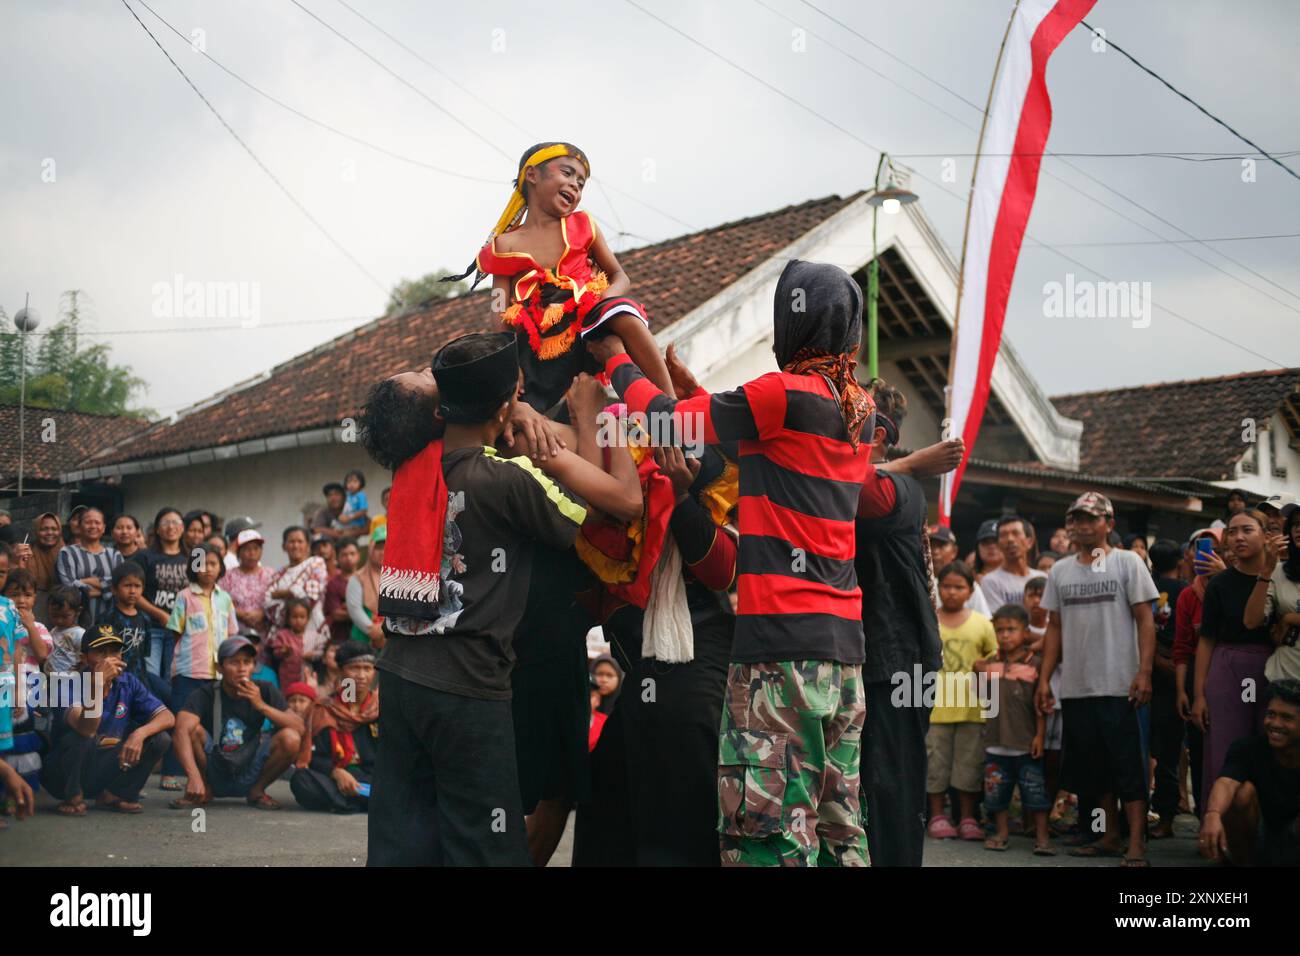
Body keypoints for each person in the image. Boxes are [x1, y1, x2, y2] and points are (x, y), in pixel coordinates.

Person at [362, 331, 640, 866]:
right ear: (503, 405)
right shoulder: (506, 479)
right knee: (488, 845)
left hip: (398, 678)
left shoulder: (411, 474)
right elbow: (614, 506)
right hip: (467, 688)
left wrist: (512, 416)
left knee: (404, 841)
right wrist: (594, 417)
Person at [451, 141, 674, 424]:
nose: (575, 187)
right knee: (524, 412)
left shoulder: (583, 226)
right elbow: (499, 308)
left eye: (581, 184)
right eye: (568, 174)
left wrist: (607, 301)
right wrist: (509, 363)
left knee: (623, 312)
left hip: (588, 322)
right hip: (539, 346)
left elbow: (620, 276)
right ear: (532, 175)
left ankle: (672, 407)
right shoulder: (504, 244)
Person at [1036, 492, 1158, 867]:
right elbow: (1054, 629)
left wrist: (1144, 671)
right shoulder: (1060, 571)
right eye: (1077, 519)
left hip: (1120, 683)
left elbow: (1145, 620)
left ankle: (1136, 842)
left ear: (1109, 522)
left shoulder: (1128, 563)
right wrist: (1045, 680)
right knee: (1094, 768)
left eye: (1091, 519)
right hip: (1076, 685)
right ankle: (1108, 836)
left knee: (1128, 767)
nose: (1083, 526)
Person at [39, 623, 175, 815]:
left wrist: (139, 734)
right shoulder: (67, 684)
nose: (110, 659)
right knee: (81, 738)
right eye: (101, 652)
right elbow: (86, 729)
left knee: (160, 738)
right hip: (62, 773)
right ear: (84, 658)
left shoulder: (128, 682)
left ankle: (113, 794)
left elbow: (167, 717)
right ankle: (73, 795)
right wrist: (97, 685)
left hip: (103, 765)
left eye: (114, 652)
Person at [1194, 510, 1277, 811]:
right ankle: (1220, 827)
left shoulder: (1282, 579)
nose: (1238, 537)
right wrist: (1198, 695)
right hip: (1227, 668)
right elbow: (1206, 641)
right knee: (1226, 745)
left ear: (1266, 535)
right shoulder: (1220, 584)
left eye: (1247, 530)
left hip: (1272, 670)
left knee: (1271, 744)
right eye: (1232, 531)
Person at [170, 635, 304, 810]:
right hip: (214, 766)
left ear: (253, 666)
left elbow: (299, 727)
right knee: (192, 729)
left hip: (250, 768)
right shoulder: (206, 693)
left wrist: (261, 705)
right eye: (234, 662)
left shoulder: (264, 689)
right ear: (220, 668)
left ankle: (257, 791)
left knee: (291, 738)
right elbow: (180, 730)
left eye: (247, 662)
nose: (242, 669)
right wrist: (193, 776)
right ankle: (203, 789)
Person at [159, 542, 240, 790]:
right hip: (188, 671)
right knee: (181, 721)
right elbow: (175, 633)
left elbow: (232, 633)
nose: (207, 569)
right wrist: (179, 663)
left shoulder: (225, 599)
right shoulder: (184, 597)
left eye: (213, 563)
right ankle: (171, 773)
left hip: (217, 672)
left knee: (214, 723)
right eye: (201, 563)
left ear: (221, 567)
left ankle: (209, 774)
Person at [926, 561, 996, 841]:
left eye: (959, 587)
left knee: (969, 765)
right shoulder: (929, 619)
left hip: (972, 708)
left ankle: (967, 817)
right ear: (938, 588)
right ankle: (937, 816)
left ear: (970, 591)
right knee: (935, 764)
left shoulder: (982, 624)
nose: (952, 592)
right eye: (946, 586)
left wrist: (988, 669)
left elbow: (996, 659)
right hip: (935, 708)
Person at [975, 604, 1052, 855]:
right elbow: (980, 696)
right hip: (996, 741)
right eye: (1000, 630)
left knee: (1036, 794)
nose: (1005, 635)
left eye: (1011, 629)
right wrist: (976, 673)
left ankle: (1042, 837)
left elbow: (1041, 706)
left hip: (1026, 742)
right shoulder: (989, 665)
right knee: (996, 795)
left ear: (1026, 633)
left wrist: (1040, 736)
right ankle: (1001, 832)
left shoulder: (1035, 664)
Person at [1199, 678, 1300, 866]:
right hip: (1258, 838)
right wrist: (1212, 814)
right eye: (1271, 714)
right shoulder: (1248, 748)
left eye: (1286, 718)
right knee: (1241, 794)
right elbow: (1226, 782)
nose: (1275, 723)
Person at [290, 641, 379, 813]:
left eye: (367, 668)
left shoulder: (380, 708)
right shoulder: (324, 709)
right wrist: (336, 772)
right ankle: (365, 802)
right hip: (335, 778)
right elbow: (313, 758)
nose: (361, 675)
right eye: (354, 668)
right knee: (301, 780)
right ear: (340, 671)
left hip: (373, 778)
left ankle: (349, 803)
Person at [1174, 527, 1226, 816]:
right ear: (1190, 554)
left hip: (1233, 673)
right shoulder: (1186, 597)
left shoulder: (1237, 584)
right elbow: (1182, 648)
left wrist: (1222, 577)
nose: (1208, 554)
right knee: (1199, 746)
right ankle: (1204, 816)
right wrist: (1183, 691)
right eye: (1202, 548)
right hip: (1197, 675)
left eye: (1216, 549)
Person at [1148, 538, 1189, 838]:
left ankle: (1130, 815)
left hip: (1146, 674)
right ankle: (1165, 819)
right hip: (1177, 678)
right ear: (1180, 561)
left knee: (1142, 751)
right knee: (1169, 754)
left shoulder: (1145, 589)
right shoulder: (1188, 591)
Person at [138, 507, 189, 695]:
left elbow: (202, 586)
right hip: (152, 627)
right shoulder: (144, 556)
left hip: (181, 629)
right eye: (165, 523)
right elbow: (134, 592)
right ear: (157, 529)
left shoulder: (195, 555)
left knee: (173, 676)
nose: (171, 527)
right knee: (150, 676)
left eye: (175, 522)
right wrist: (158, 613)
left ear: (183, 528)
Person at [55, 506, 119, 626]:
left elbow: (119, 585)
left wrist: (83, 581)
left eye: (97, 522)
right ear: (79, 527)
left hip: (110, 622)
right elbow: (68, 586)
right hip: (76, 623)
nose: (93, 526)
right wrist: (105, 589)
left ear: (104, 528)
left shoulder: (115, 555)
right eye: (88, 522)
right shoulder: (67, 553)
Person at [264, 527, 329, 643]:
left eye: (300, 541)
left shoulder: (316, 563)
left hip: (314, 633)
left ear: (308, 546)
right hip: (285, 640)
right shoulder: (278, 575)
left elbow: (310, 598)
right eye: (291, 542)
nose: (295, 546)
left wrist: (283, 594)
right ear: (284, 546)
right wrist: (296, 593)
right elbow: (268, 605)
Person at [1262, 507, 1300, 683]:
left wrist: (1290, 618)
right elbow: (1255, 622)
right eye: (1295, 524)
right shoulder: (1277, 572)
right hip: (1283, 674)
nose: (1298, 528)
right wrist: (1266, 570)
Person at [979, 515, 1046, 611]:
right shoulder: (990, 582)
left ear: (1029, 542)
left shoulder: (1043, 578)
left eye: (1016, 533)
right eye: (1003, 535)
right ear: (999, 544)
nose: (1010, 539)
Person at [928, 524, 992, 616]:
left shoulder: (967, 584)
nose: (935, 551)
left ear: (954, 551)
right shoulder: (915, 583)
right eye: (929, 546)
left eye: (941, 546)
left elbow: (984, 620)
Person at [224, 528, 276, 640]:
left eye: (256, 549)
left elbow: (275, 601)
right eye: (247, 549)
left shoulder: (270, 574)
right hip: (236, 632)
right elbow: (222, 602)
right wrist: (240, 614)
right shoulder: (228, 576)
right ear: (239, 552)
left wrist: (262, 613)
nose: (252, 553)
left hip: (263, 634)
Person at [345, 527, 386, 646]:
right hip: (363, 638)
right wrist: (372, 629)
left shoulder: (399, 577)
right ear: (370, 550)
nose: (382, 552)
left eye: (386, 547)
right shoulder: (358, 578)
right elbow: (354, 609)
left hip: (391, 638)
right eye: (378, 548)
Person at [268, 598, 315, 686]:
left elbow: (319, 652)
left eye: (302, 617)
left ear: (308, 618)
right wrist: (284, 651)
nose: (298, 620)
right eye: (294, 617)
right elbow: (276, 653)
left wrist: (312, 655)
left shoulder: (312, 636)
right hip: (287, 676)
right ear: (288, 618)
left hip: (305, 675)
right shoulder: (283, 635)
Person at [28, 512, 64, 622]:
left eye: (54, 529)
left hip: (62, 607)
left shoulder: (68, 554)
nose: (49, 533)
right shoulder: (27, 555)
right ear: (36, 531)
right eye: (44, 529)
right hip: (35, 607)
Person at [323, 537, 360, 645]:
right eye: (344, 554)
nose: (349, 558)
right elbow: (336, 615)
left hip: (366, 639)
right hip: (341, 640)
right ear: (337, 557)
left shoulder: (366, 580)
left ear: (358, 555)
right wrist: (362, 610)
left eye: (352, 553)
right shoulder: (333, 584)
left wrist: (349, 609)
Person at [45, 586, 87, 675]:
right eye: (54, 616)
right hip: (50, 679)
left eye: (65, 616)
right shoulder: (53, 631)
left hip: (69, 681)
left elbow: (85, 660)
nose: (59, 620)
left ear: (78, 612)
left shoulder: (79, 634)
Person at [340, 470, 369, 535]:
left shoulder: (360, 495)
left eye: (355, 481)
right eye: (349, 482)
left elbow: (363, 510)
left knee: (345, 534)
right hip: (345, 524)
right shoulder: (346, 495)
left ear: (361, 483)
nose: (351, 484)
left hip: (357, 525)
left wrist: (349, 518)